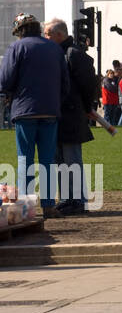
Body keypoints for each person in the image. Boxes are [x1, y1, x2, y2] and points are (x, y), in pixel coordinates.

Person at [0, 14, 68, 217]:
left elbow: (4, 81)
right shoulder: (55, 49)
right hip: (50, 110)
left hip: (24, 111)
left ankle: (26, 208)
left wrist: (10, 95)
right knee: (47, 160)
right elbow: (65, 83)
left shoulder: (17, 48)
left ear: (19, 31)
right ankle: (48, 206)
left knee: (25, 159)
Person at [44, 19, 97, 215]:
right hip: (60, 113)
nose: (45, 37)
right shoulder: (60, 53)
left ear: (59, 34)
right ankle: (67, 199)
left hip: (72, 113)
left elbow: (88, 82)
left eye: (48, 34)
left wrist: (85, 105)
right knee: (60, 159)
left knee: (72, 158)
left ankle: (78, 200)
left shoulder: (73, 53)